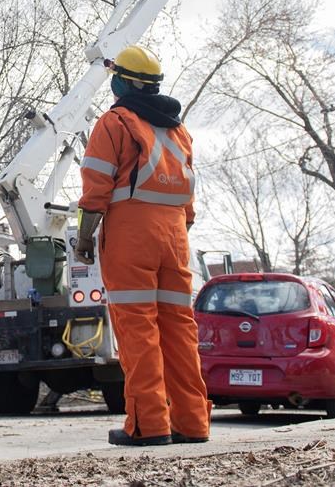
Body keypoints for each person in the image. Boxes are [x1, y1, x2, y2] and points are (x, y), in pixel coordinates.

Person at [74, 45, 211, 447]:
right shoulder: (178, 130)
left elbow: (95, 189)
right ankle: (192, 423)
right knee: (179, 331)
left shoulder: (115, 122)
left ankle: (148, 426)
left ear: (124, 82)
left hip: (132, 236)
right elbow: (187, 202)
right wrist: (177, 231)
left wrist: (84, 238)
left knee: (138, 331)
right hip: (174, 237)